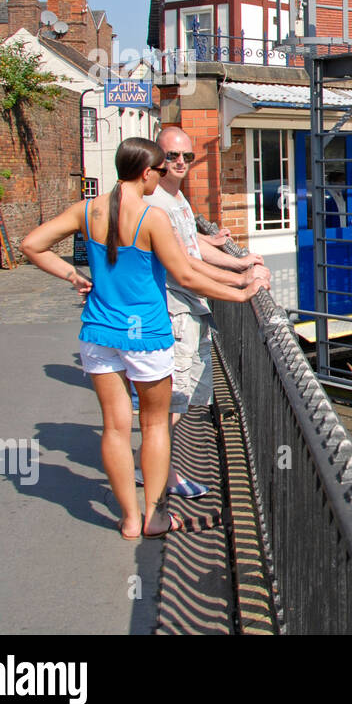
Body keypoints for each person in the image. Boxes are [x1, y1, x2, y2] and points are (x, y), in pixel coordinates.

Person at [22, 139, 262, 539]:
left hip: (98, 332)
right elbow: (185, 275)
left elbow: (32, 245)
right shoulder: (151, 218)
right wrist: (241, 291)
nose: (163, 175)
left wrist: (74, 277)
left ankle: (130, 519)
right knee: (154, 427)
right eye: (160, 170)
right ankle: (154, 518)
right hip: (147, 335)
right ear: (148, 172)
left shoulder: (88, 209)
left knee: (114, 428)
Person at [138, 126, 269, 498]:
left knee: (173, 402)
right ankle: (162, 477)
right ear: (155, 158)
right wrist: (241, 287)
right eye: (171, 156)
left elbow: (193, 247)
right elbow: (185, 270)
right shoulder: (156, 204)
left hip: (187, 310)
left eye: (187, 156)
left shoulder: (175, 197)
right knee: (172, 401)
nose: (180, 162)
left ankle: (150, 464)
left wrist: (240, 267)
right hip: (175, 312)